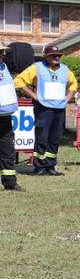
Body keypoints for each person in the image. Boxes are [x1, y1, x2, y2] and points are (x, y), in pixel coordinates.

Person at [14, 44, 77, 176]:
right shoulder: (37, 67)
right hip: (43, 108)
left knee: (55, 138)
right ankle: (39, 167)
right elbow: (18, 81)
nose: (57, 58)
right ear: (46, 57)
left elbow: (74, 83)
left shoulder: (64, 69)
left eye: (58, 56)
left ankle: (50, 166)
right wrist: (33, 95)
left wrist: (68, 97)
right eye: (53, 56)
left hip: (59, 109)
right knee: (42, 138)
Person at [0, 42, 26, 191]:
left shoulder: (4, 67)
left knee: (7, 151)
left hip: (5, 117)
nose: (1, 55)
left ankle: (10, 183)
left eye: (2, 52)